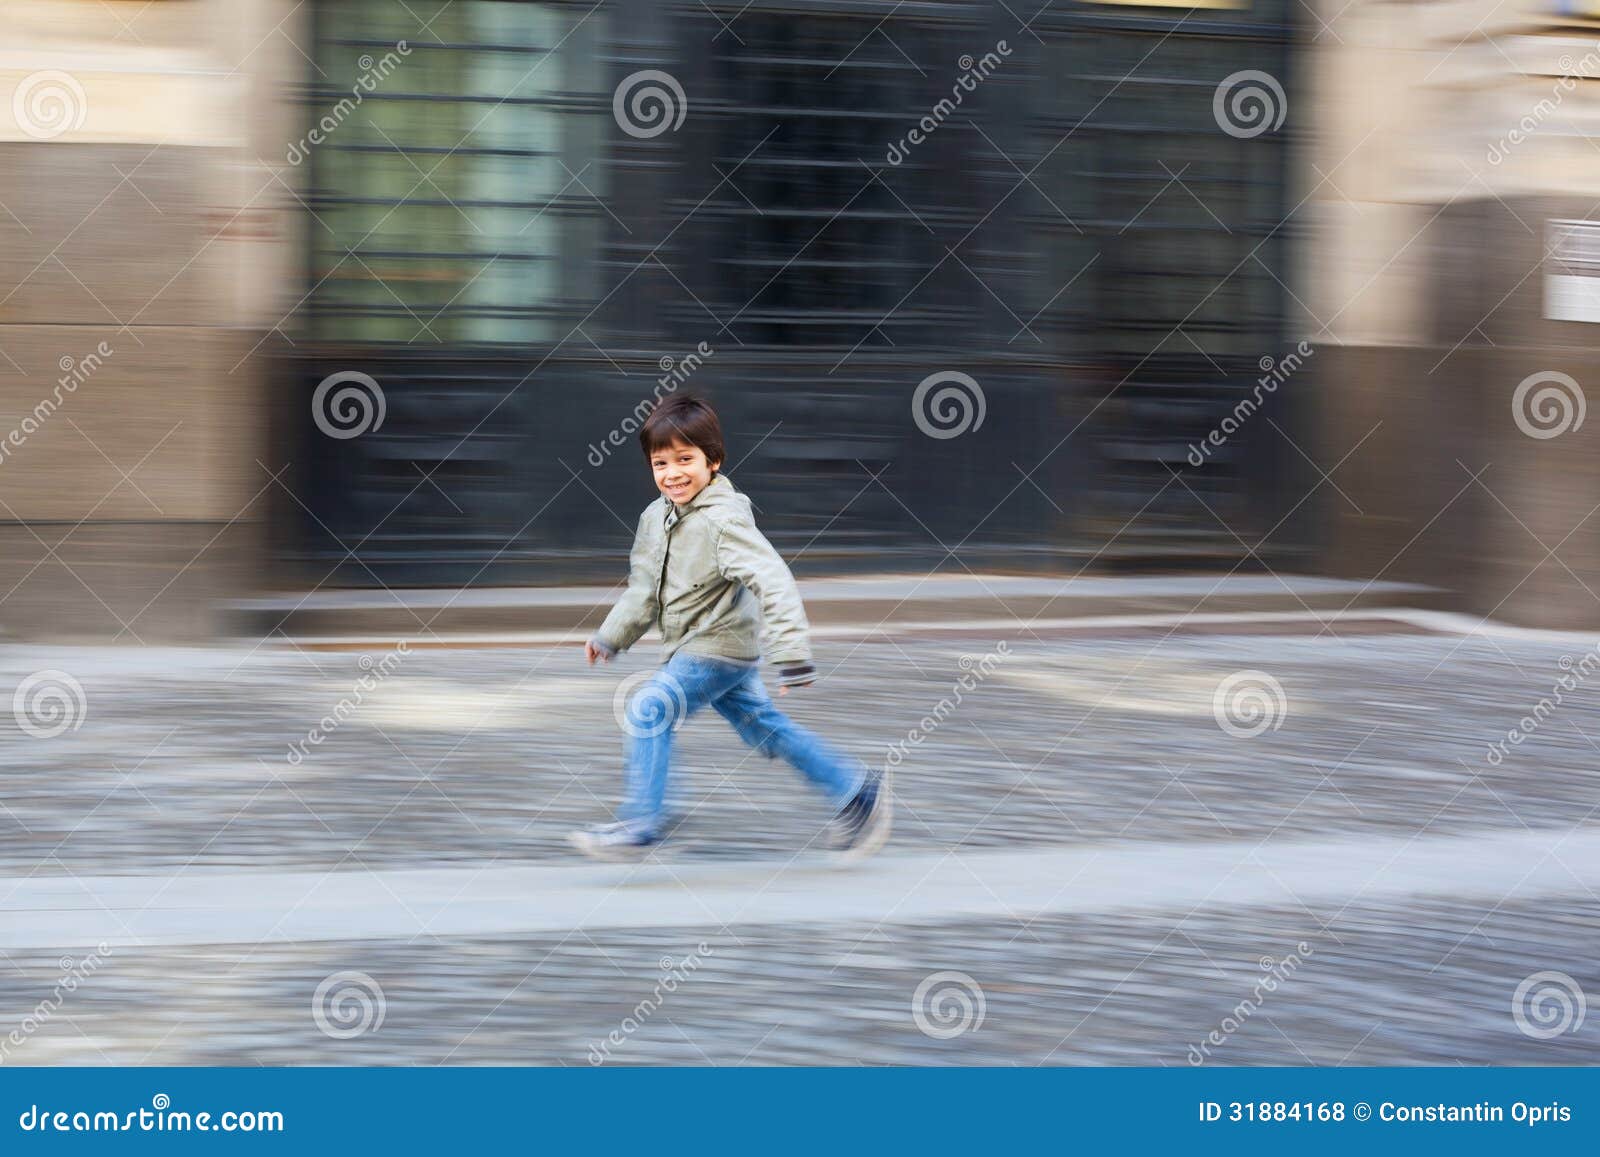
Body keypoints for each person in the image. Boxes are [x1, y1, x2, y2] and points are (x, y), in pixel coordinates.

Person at [571, 393, 890, 862]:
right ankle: (856, 792)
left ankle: (642, 821)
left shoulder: (724, 521)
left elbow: (773, 579)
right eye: (661, 463)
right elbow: (643, 591)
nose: (673, 473)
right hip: (703, 651)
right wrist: (610, 636)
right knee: (765, 730)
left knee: (648, 709)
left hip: (715, 649)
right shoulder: (654, 519)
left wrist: (792, 654)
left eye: (686, 459)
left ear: (713, 461)